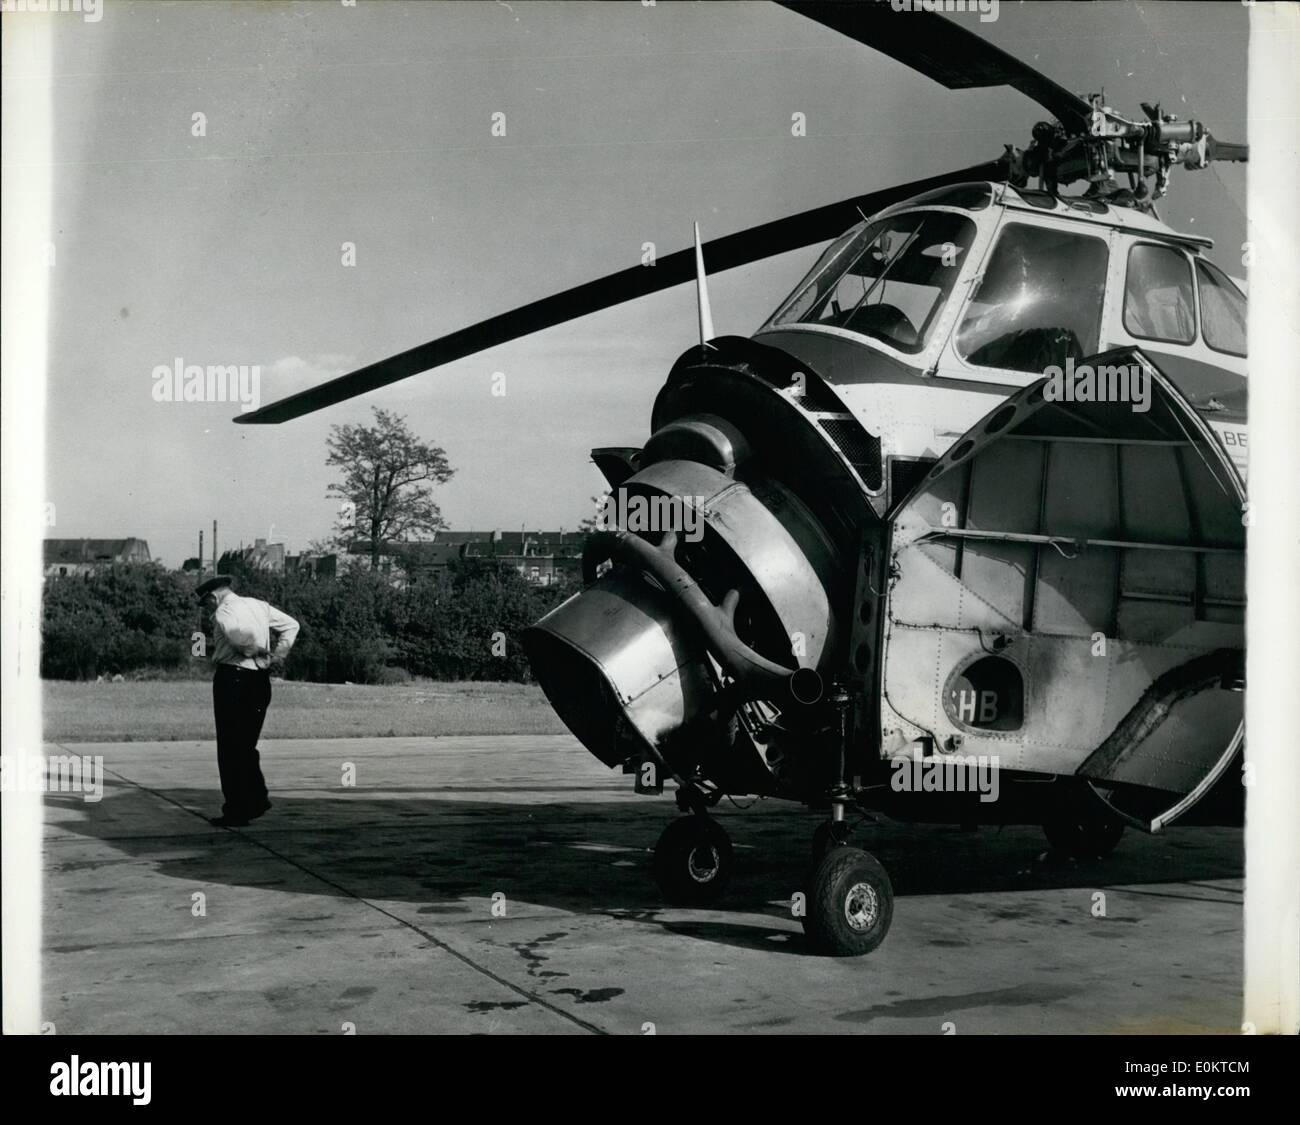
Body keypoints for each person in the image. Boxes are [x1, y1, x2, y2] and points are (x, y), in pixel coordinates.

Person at [195, 575, 300, 827]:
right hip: (260, 680)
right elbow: (292, 625)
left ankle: (238, 808)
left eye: (206, 603)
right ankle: (254, 799)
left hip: (233, 679)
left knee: (230, 747)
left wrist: (263, 652)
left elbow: (242, 644)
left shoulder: (223, 613)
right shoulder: (258, 605)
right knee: (246, 743)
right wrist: (279, 654)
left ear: (213, 596)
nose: (208, 609)